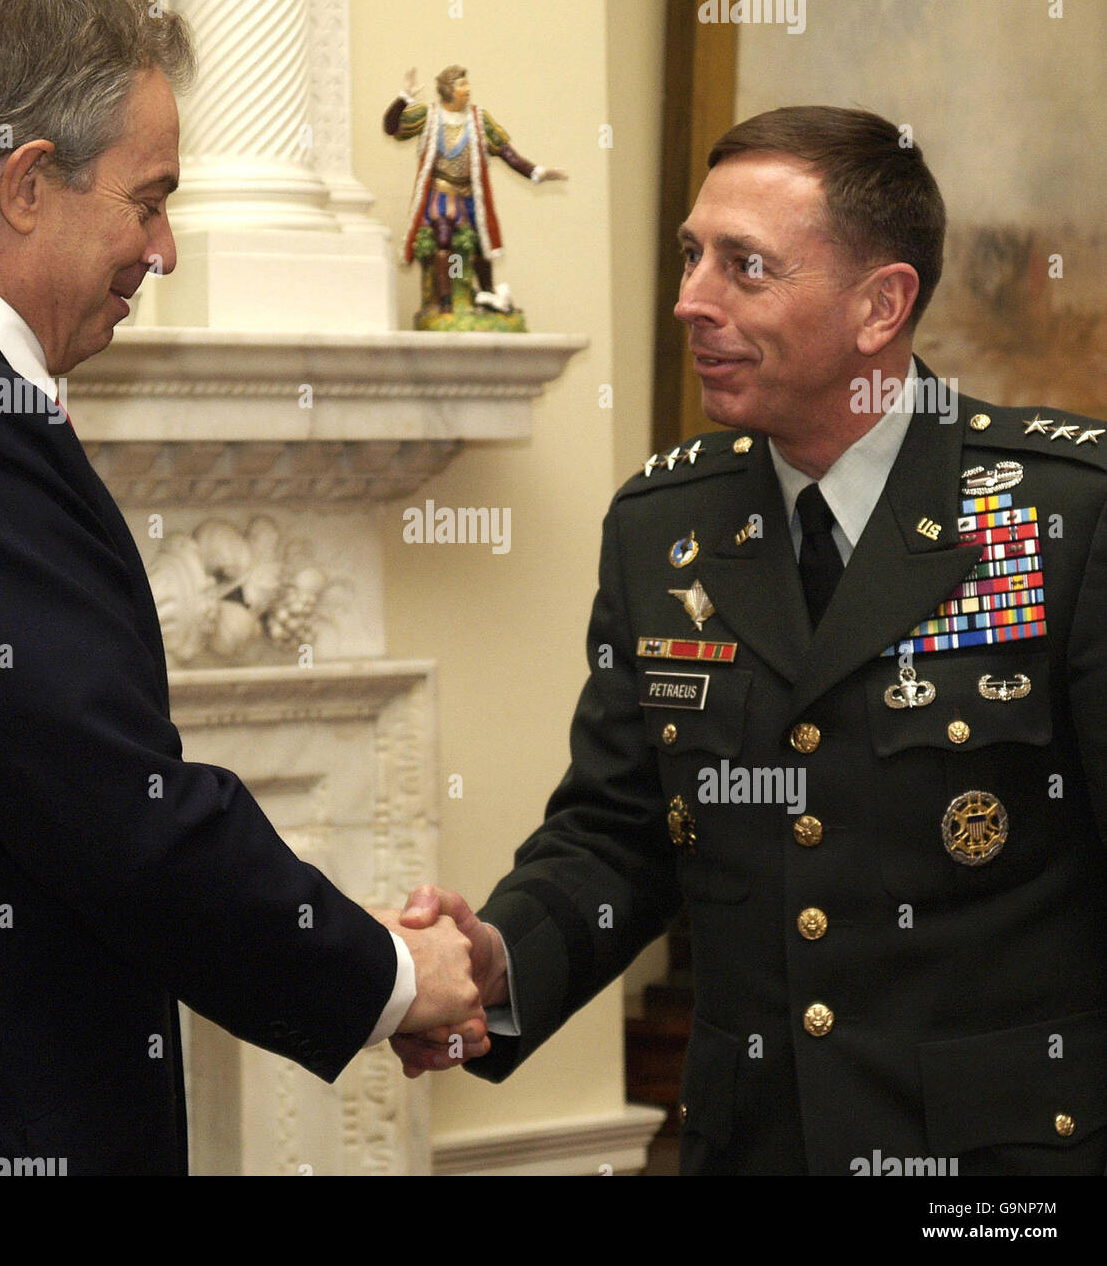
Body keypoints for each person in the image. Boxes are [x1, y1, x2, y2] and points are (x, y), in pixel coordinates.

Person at [0, 0, 480, 1176]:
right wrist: (389, 975)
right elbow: (115, 811)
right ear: (26, 184)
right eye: (149, 198)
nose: (164, 249)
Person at [390, 106, 1107, 1176]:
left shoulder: (1061, 517)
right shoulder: (662, 527)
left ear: (880, 306)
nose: (692, 300)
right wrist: (494, 957)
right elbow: (621, 831)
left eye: (745, 266)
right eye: (691, 255)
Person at [383, 65, 565, 315]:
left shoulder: (479, 120)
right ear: (448, 90)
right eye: (461, 85)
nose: (467, 90)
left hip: (470, 196)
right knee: (444, 238)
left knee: (480, 243)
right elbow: (391, 128)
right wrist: (404, 98)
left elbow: (506, 153)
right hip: (440, 193)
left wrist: (537, 172)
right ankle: (446, 304)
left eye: (467, 85)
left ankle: (487, 292)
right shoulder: (430, 116)